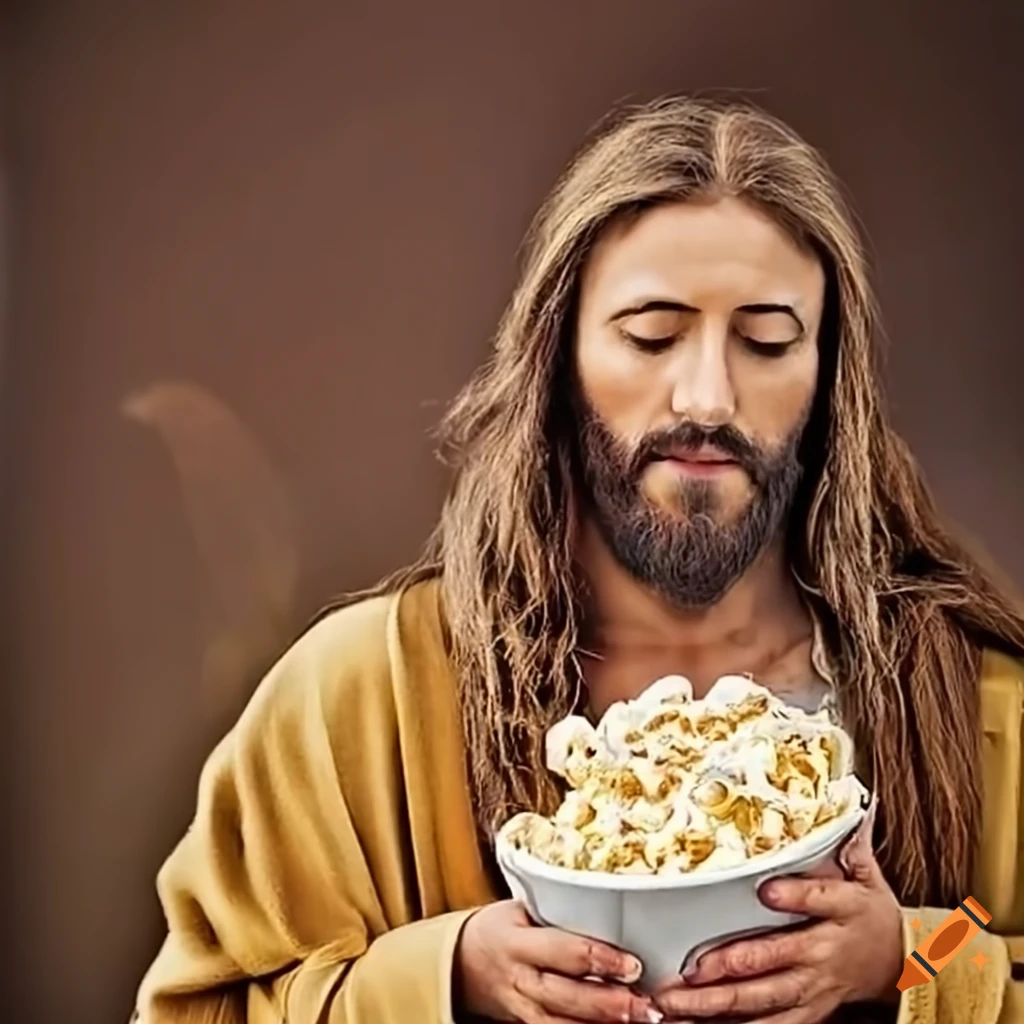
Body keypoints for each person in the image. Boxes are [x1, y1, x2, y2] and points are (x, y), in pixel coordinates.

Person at [134, 95, 1024, 1024]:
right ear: (557, 361)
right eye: (651, 334)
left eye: (766, 340)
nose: (709, 396)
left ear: (828, 378)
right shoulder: (356, 702)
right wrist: (442, 977)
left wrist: (916, 961)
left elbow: (979, 936)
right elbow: (200, 1006)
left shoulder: (977, 707)